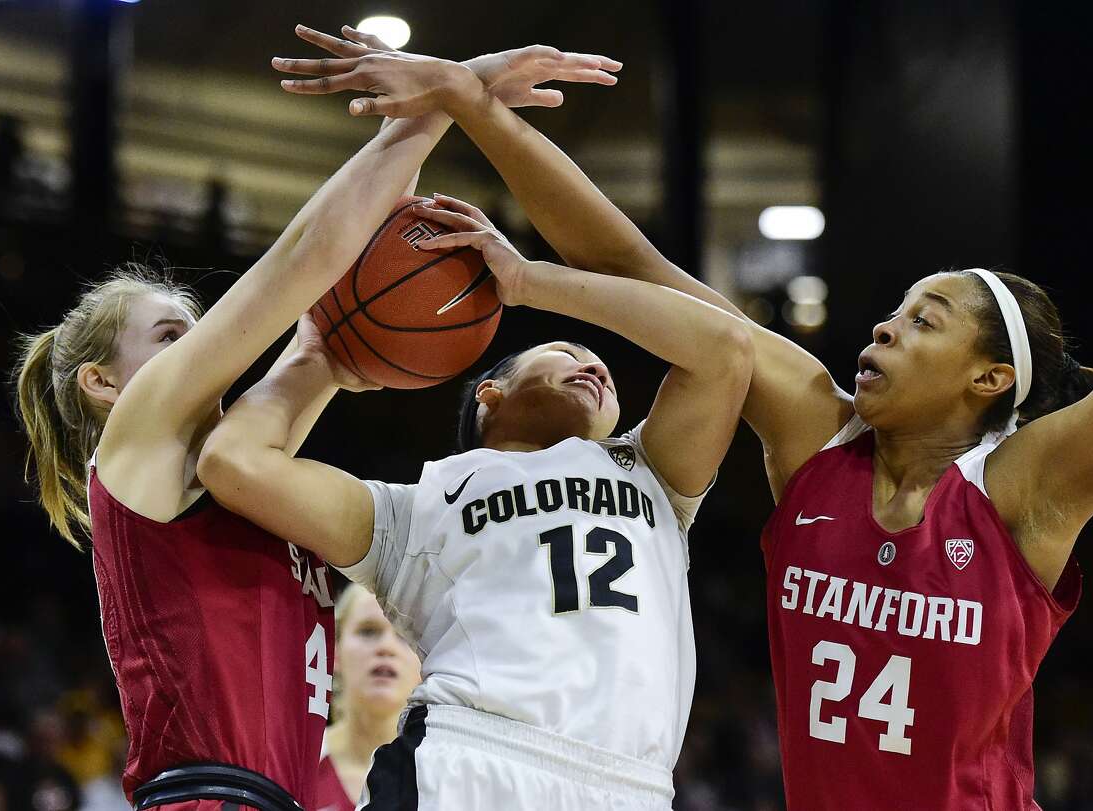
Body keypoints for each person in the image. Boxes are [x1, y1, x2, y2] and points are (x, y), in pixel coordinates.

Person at [276, 47, 1093, 809]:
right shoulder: (813, 432)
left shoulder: (1029, 489)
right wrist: (475, 108)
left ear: (989, 379)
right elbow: (626, 260)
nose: (882, 327)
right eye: (895, 310)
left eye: (923, 323)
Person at [11, 26, 621, 810]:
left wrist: (445, 115)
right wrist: (449, 95)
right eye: (170, 337)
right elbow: (307, 255)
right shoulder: (137, 447)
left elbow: (326, 343)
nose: (202, 350)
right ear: (102, 382)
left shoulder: (235, 465)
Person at [195, 197, 754, 807]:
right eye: (567, 352)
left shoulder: (655, 471)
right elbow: (233, 463)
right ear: (492, 391)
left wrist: (533, 281)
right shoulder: (417, 508)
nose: (594, 364)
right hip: (466, 761)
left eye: (602, 367)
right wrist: (318, 359)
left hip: (629, 787)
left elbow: (724, 346)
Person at [316, 586, 422, 811]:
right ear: (334, 650)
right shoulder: (302, 760)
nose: (386, 647)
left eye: (404, 636)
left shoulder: (441, 771)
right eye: (368, 631)